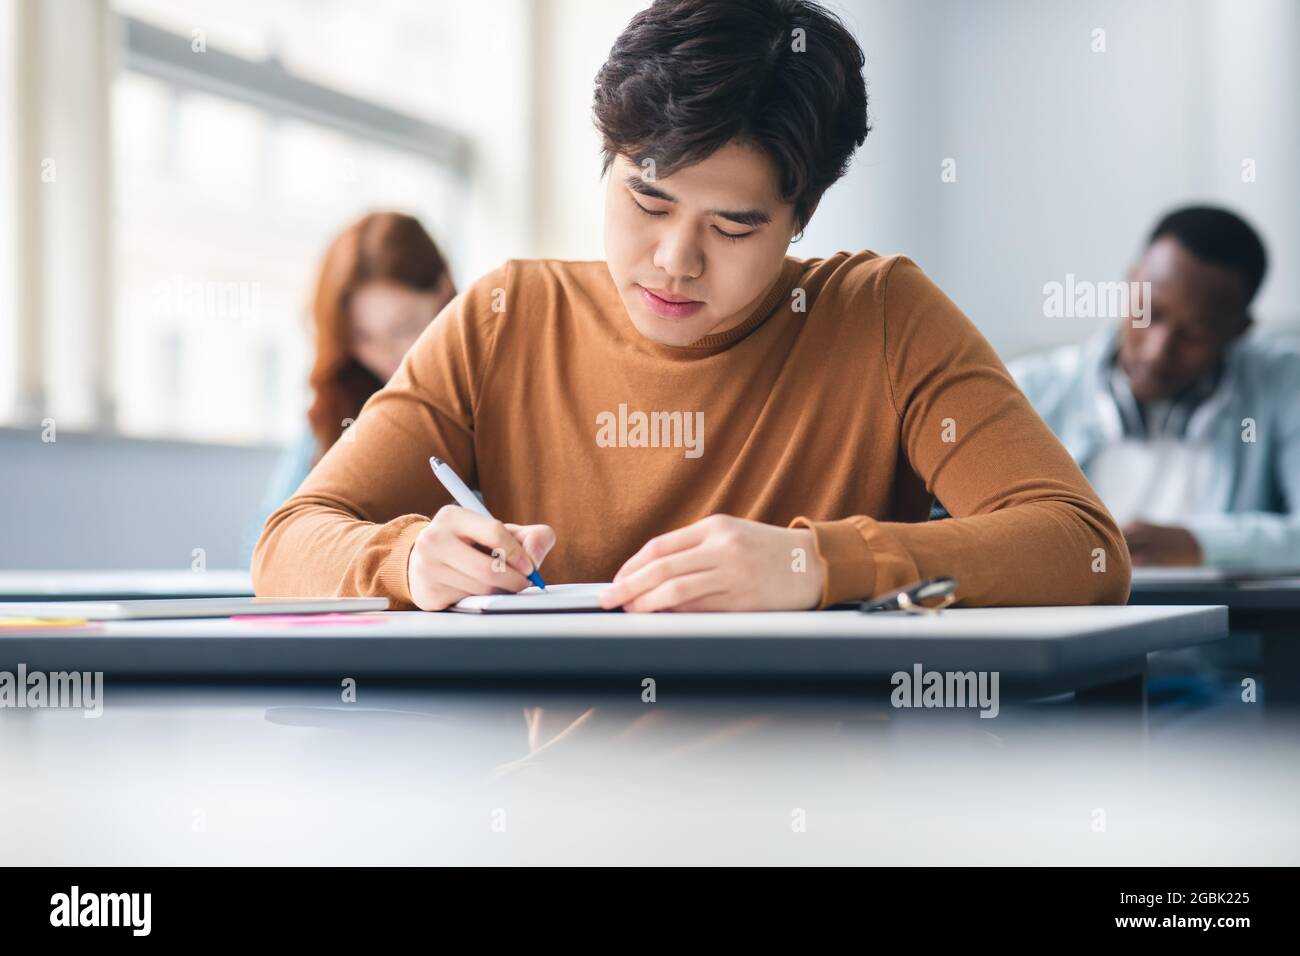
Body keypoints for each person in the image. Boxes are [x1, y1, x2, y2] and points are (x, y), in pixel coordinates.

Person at [253, 0, 1130, 612]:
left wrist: (816, 562)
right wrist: (408, 559)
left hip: (838, 802)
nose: (676, 262)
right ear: (608, 165)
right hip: (567, 805)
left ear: (800, 219)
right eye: (648, 202)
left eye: (737, 225)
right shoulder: (504, 317)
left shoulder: (882, 315)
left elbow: (1082, 546)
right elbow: (289, 543)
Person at [1009, 206, 1300, 569]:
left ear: (1239, 329)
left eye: (1194, 333)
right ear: (1131, 281)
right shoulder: (1026, 389)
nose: (1157, 352)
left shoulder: (1285, 385)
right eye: (1148, 313)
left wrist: (1201, 544)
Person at [244, 212, 456, 560]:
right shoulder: (339, 406)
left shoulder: (487, 393)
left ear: (443, 290)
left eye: (402, 327)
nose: (386, 353)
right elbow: (262, 546)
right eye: (362, 336)